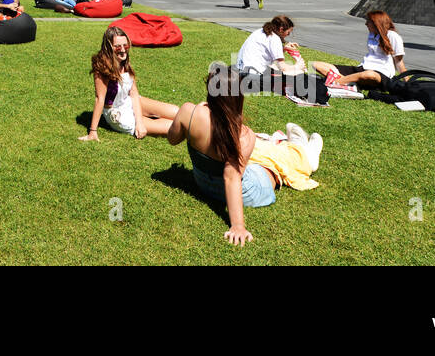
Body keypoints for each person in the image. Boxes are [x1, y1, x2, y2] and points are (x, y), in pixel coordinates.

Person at [167, 64, 324, 247]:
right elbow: (231, 178)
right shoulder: (242, 135)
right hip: (249, 192)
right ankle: (306, 155)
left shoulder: (189, 111)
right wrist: (238, 226)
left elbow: (172, 139)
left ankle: (288, 144)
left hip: (203, 184)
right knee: (272, 162)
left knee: (256, 151)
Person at [80, 28, 180, 140]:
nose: (123, 50)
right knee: (172, 126)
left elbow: (134, 94)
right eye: (118, 46)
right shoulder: (102, 68)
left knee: (176, 112)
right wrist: (93, 131)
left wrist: (139, 121)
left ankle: (199, 120)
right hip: (117, 112)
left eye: (125, 45)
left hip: (129, 101)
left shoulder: (124, 61)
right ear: (109, 47)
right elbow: (100, 99)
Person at [234, 14, 327, 105]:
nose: (287, 35)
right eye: (288, 33)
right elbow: (283, 68)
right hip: (251, 78)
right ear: (281, 29)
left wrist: (284, 49)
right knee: (294, 75)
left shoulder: (261, 32)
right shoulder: (274, 39)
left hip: (241, 73)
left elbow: (270, 58)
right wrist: (297, 66)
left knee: (288, 73)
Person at [311, 10, 406, 93]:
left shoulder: (392, 36)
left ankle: (337, 82)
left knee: (369, 74)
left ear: (376, 22)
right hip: (362, 68)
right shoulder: (372, 35)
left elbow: (399, 62)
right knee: (315, 64)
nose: (366, 24)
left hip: (381, 74)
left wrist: (407, 81)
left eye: (368, 21)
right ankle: (348, 83)